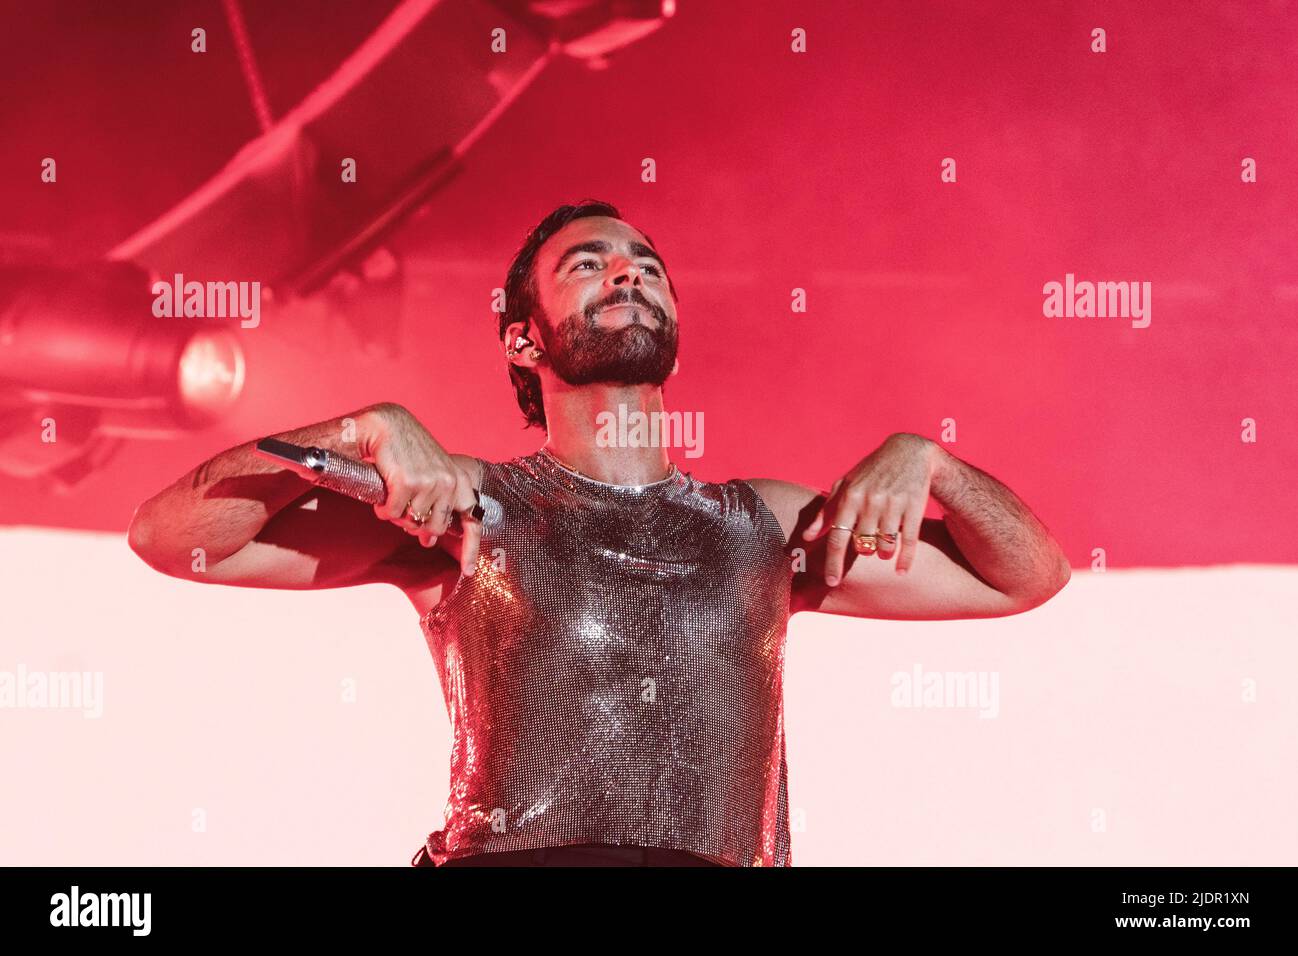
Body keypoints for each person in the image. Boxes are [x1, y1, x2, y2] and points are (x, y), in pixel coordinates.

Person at [128, 199, 1071, 867]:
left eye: (646, 265)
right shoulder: (464, 509)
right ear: (523, 341)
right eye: (589, 264)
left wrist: (932, 462)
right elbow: (173, 536)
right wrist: (355, 429)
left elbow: (1023, 577)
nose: (629, 270)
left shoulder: (765, 526)